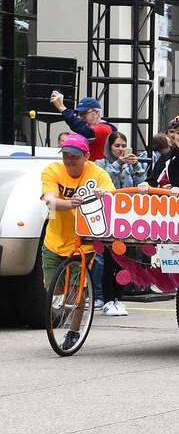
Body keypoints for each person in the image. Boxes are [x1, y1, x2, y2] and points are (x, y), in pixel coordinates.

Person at [39, 135, 115, 351]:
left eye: (75, 156)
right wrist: (70, 203)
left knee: (76, 290)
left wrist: (104, 195)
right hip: (55, 239)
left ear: (87, 156)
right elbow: (51, 201)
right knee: (53, 288)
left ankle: (73, 332)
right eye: (66, 155)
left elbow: (113, 199)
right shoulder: (52, 171)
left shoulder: (98, 174)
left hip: (84, 241)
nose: (69, 160)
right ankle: (60, 313)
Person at [92, 131, 148, 316]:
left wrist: (137, 166)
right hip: (108, 217)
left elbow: (142, 187)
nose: (121, 150)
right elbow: (107, 179)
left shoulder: (131, 165)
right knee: (108, 260)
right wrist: (119, 163)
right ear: (110, 147)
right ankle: (105, 298)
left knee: (124, 260)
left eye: (124, 146)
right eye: (117, 146)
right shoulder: (101, 164)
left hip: (128, 218)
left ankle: (117, 299)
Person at [50, 92, 114, 162]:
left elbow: (84, 130)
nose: (81, 118)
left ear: (97, 113)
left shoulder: (105, 128)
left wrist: (61, 107)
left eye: (84, 114)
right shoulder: (91, 128)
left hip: (99, 171)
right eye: (79, 115)